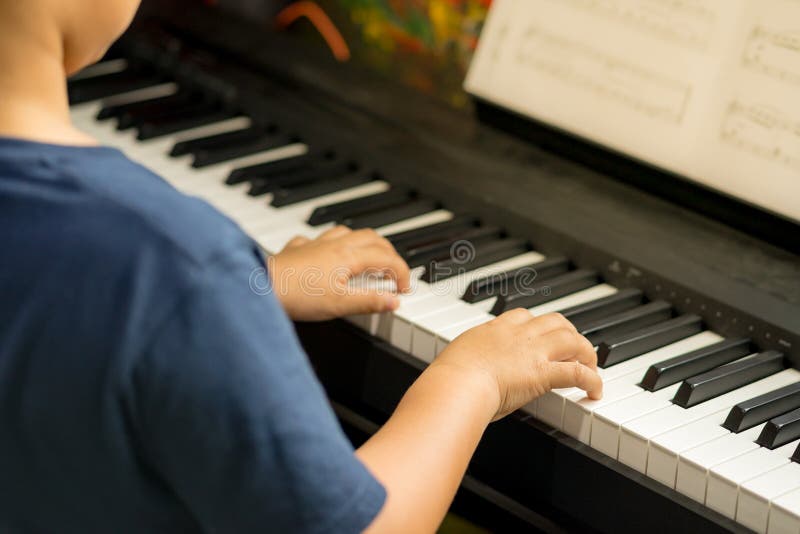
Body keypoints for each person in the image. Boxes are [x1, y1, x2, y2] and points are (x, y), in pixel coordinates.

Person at [0, 1, 603, 532]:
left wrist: (245, 291)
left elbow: (70, 298)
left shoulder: (162, 270)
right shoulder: (172, 261)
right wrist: (472, 378)